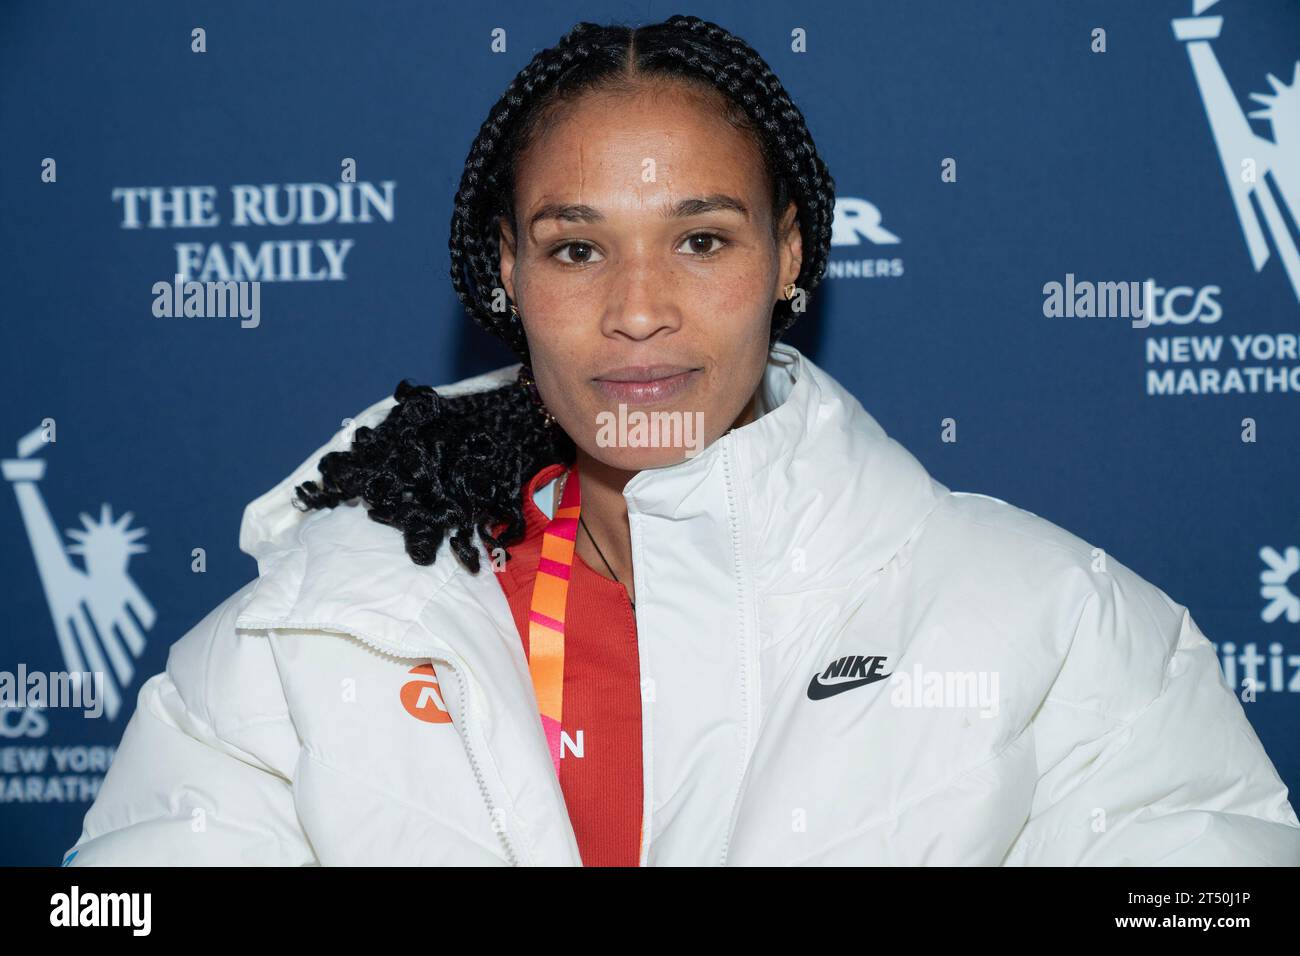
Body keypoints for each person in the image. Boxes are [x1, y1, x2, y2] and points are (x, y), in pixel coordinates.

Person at [63, 14, 1300, 867]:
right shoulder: (322, 629)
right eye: (576, 245)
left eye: (701, 238)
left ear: (791, 256)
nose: (638, 307)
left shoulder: (1044, 617)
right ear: (506, 272)